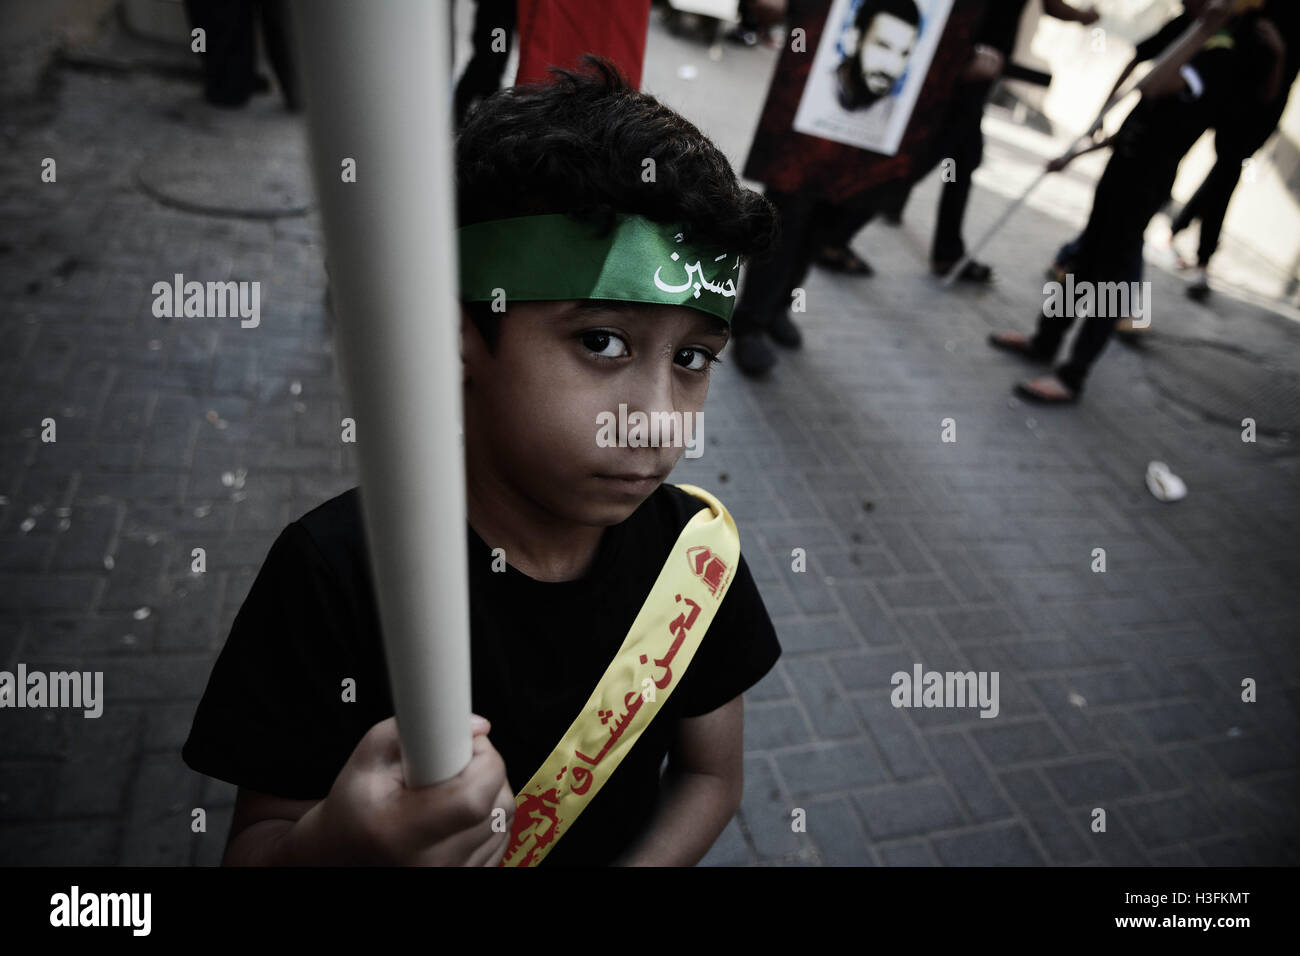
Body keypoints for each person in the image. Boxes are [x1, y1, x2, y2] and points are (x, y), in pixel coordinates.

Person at [182, 56, 782, 867]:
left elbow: (710, 775)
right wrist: (339, 847)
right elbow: (258, 839)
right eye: (601, 342)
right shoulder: (333, 575)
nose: (657, 425)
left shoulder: (695, 561)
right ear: (458, 339)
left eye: (693, 360)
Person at [989, 0, 1282, 403]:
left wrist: (1202, 31)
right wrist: (1078, 152)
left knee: (1110, 279)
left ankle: (1072, 375)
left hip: (1148, 179)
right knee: (1081, 261)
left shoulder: (1221, 53)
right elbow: (1144, 106)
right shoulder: (1190, 30)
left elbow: (1154, 85)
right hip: (1124, 164)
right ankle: (1045, 340)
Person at [816, 0, 1100, 282]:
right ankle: (835, 233)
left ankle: (947, 252)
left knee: (963, 161)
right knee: (919, 160)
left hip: (971, 68)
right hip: (965, 68)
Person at [835, 0, 922, 111]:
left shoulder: (892, 114)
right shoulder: (816, 90)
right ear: (854, 40)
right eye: (883, 46)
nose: (891, 67)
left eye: (904, 54)